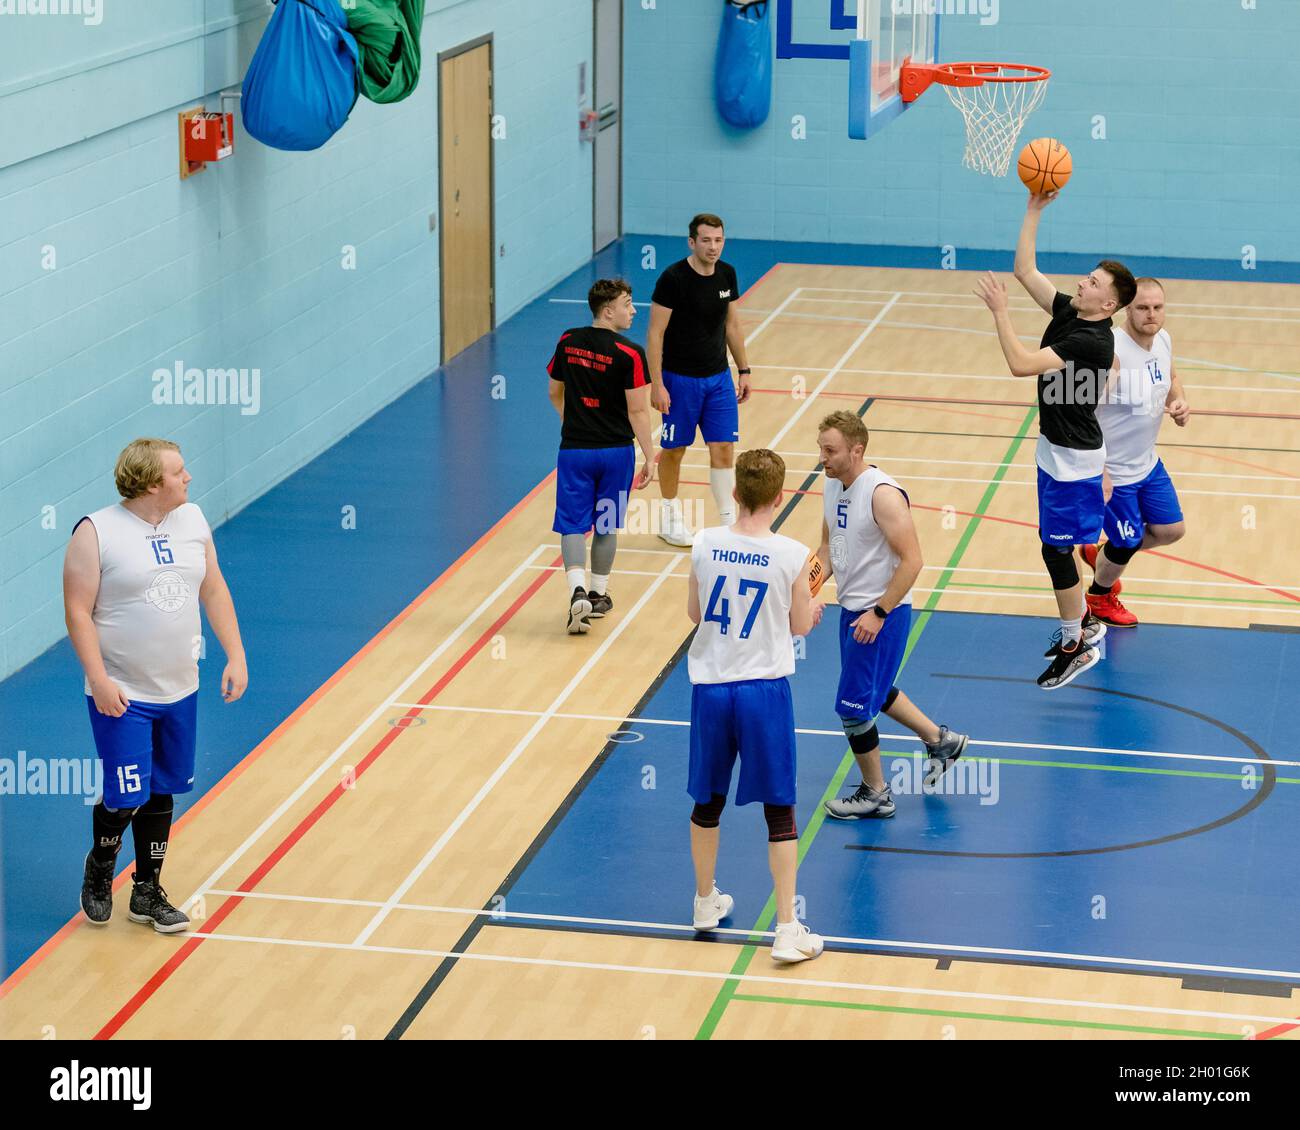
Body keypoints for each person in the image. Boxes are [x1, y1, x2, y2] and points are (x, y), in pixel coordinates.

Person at [64, 438, 248, 932]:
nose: (188, 477)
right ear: (150, 483)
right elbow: (78, 611)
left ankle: (147, 889)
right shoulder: (96, 531)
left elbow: (213, 586)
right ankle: (101, 866)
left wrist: (235, 653)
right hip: (122, 692)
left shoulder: (192, 520)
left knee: (161, 789)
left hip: (179, 689)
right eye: (179, 471)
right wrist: (99, 680)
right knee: (125, 794)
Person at [974, 191, 1137, 689]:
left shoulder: (1092, 339)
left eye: (1091, 282)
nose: (1081, 282)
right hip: (1053, 449)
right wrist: (1033, 207)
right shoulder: (1073, 313)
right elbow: (1026, 270)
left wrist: (1000, 313)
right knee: (1054, 548)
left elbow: (1021, 364)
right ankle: (1080, 625)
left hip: (1074, 461)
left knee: (1054, 551)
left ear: (1107, 303)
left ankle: (1076, 643)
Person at [685, 448, 823, 963]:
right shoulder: (792, 554)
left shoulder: (703, 542)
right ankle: (787, 929)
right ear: (780, 497)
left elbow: (695, 614)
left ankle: (704, 902)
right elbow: (799, 626)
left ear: (736, 492)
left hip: (712, 689)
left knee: (708, 800)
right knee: (779, 809)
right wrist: (813, 609)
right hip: (763, 692)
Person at [814, 412, 969, 820]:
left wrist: (879, 613)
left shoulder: (881, 494)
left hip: (880, 613)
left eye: (830, 451)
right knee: (875, 690)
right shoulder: (833, 486)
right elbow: (829, 551)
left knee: (852, 707)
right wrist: (802, 593)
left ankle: (876, 793)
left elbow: (913, 560)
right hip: (851, 611)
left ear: (857, 450)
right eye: (821, 450)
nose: (823, 459)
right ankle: (941, 741)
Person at [547, 278, 657, 633]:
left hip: (575, 450)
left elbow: (554, 393)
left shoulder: (567, 341)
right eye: (628, 303)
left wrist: (575, 421)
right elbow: (639, 412)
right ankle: (598, 595)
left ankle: (576, 590)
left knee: (572, 524)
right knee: (607, 524)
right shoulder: (630, 353)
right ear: (608, 311)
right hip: (616, 454)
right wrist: (650, 456)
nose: (633, 310)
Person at [1079, 278, 1189, 626]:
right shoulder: (1109, 351)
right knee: (1126, 541)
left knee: (1171, 531)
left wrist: (1179, 401)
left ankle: (1102, 554)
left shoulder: (1164, 340)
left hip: (1148, 464)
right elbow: (1083, 412)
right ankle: (1098, 596)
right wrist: (1101, 470)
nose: (1151, 314)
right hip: (1114, 472)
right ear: (1128, 308)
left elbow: (1170, 376)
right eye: (1143, 307)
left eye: (1158, 307)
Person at [648, 213, 752, 547]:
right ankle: (668, 518)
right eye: (706, 240)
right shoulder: (673, 279)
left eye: (718, 240)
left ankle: (727, 523)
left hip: (718, 378)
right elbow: (654, 334)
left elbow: (732, 325)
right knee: (675, 450)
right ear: (692, 242)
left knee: (723, 447)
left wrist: (744, 370)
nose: (713, 247)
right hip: (679, 381)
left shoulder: (727, 274)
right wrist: (657, 384)